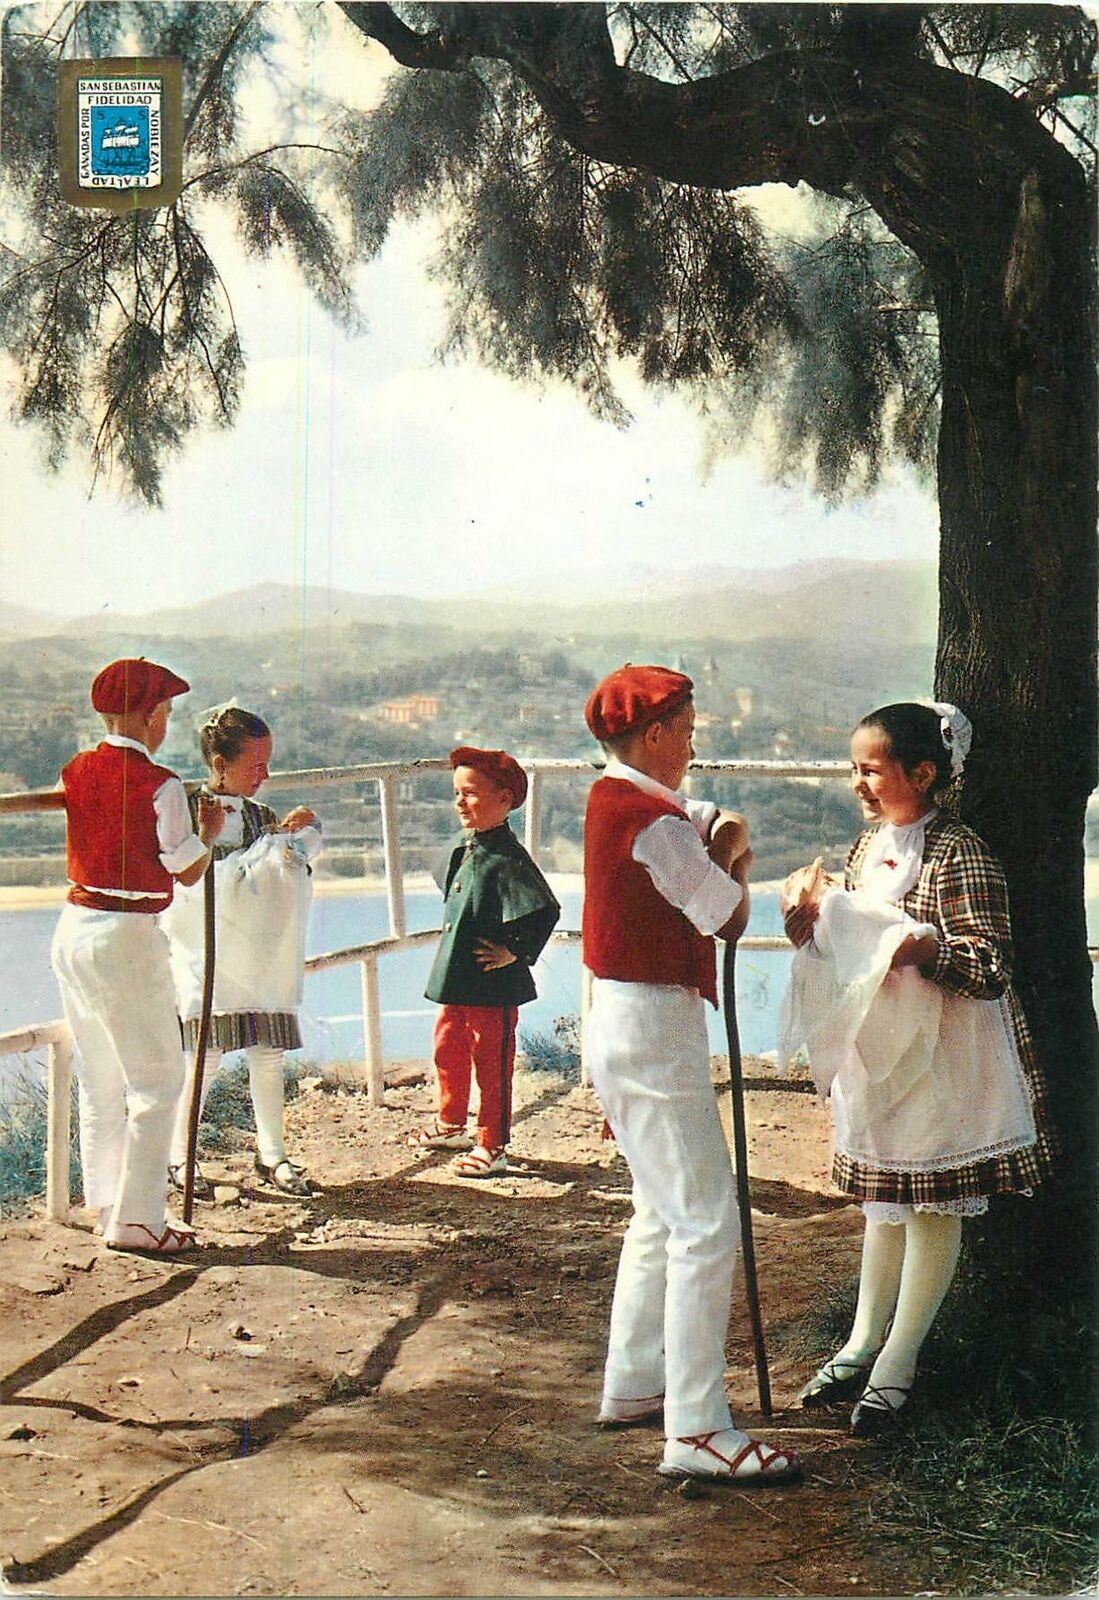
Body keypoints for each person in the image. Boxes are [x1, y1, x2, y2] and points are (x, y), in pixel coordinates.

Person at [782, 701, 1053, 1435]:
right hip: (888, 1052)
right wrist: (814, 928)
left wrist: (918, 949)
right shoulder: (869, 846)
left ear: (923, 772)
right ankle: (863, 1340)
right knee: (887, 1202)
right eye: (854, 770)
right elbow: (850, 948)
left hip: (950, 1052)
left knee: (931, 1201)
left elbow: (991, 965)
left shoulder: (960, 852)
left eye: (870, 770)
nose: (858, 784)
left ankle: (899, 1359)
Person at [581, 663, 801, 1486]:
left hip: (625, 1015)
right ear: (654, 735)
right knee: (707, 1222)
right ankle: (698, 1429)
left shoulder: (623, 795)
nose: (695, 737)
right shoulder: (653, 822)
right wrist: (735, 864)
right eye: (687, 724)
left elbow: (711, 819)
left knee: (658, 1209)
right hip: (652, 1025)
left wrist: (725, 832)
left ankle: (635, 1382)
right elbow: (728, 912)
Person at [51, 658, 224, 1256]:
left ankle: (108, 1204)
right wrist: (210, 830)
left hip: (73, 928)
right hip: (126, 937)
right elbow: (190, 869)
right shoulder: (162, 784)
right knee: (157, 1082)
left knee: (99, 1077)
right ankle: (138, 1220)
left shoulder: (74, 770)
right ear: (150, 715)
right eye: (166, 713)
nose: (167, 724)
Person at [163, 705, 321, 1198]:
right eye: (256, 765)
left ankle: (271, 1153)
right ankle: (179, 1156)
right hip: (202, 950)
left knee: (267, 1051)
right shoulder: (186, 812)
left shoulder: (263, 819)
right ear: (219, 762)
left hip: (257, 957)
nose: (265, 776)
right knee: (204, 1053)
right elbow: (177, 881)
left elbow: (280, 887)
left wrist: (296, 843)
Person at [413, 746, 560, 1177]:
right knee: (448, 1047)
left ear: (505, 799)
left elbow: (545, 910)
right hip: (458, 974)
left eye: (472, 793)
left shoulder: (508, 857)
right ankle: (451, 1121)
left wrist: (514, 951)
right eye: (457, 793)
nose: (460, 802)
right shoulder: (465, 845)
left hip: (492, 981)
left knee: (491, 1061)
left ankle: (492, 1142)